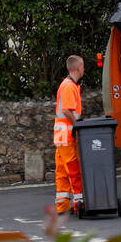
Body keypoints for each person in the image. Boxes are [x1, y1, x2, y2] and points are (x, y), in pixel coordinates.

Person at [53, 54, 84, 214]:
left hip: (61, 135)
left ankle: (62, 205)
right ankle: (79, 202)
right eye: (83, 66)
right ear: (78, 67)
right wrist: (78, 125)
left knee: (62, 171)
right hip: (67, 134)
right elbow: (66, 110)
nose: (84, 69)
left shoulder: (68, 85)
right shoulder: (69, 86)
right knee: (73, 169)